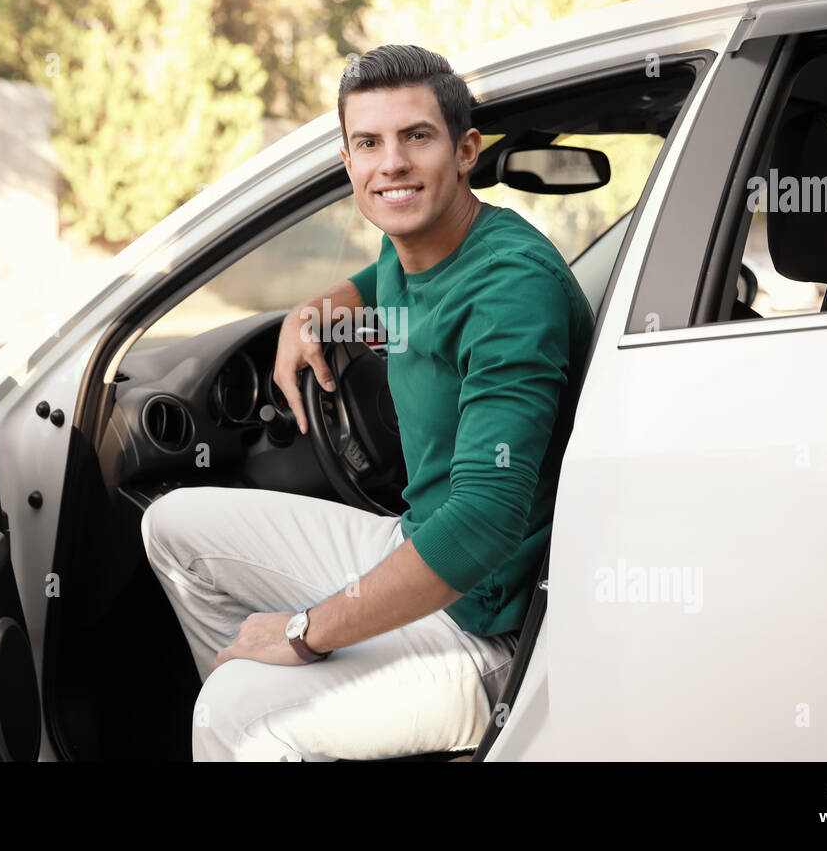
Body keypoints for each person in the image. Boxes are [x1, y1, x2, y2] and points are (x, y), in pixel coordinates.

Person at [141, 43, 596, 761]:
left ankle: (256, 726)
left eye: (417, 136)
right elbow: (386, 285)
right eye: (369, 143)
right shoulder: (411, 244)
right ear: (349, 163)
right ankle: (285, 724)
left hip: (492, 624)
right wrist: (313, 312)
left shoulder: (511, 284)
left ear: (465, 150)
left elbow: (483, 523)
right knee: (172, 529)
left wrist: (305, 632)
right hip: (418, 540)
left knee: (236, 719)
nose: (393, 164)